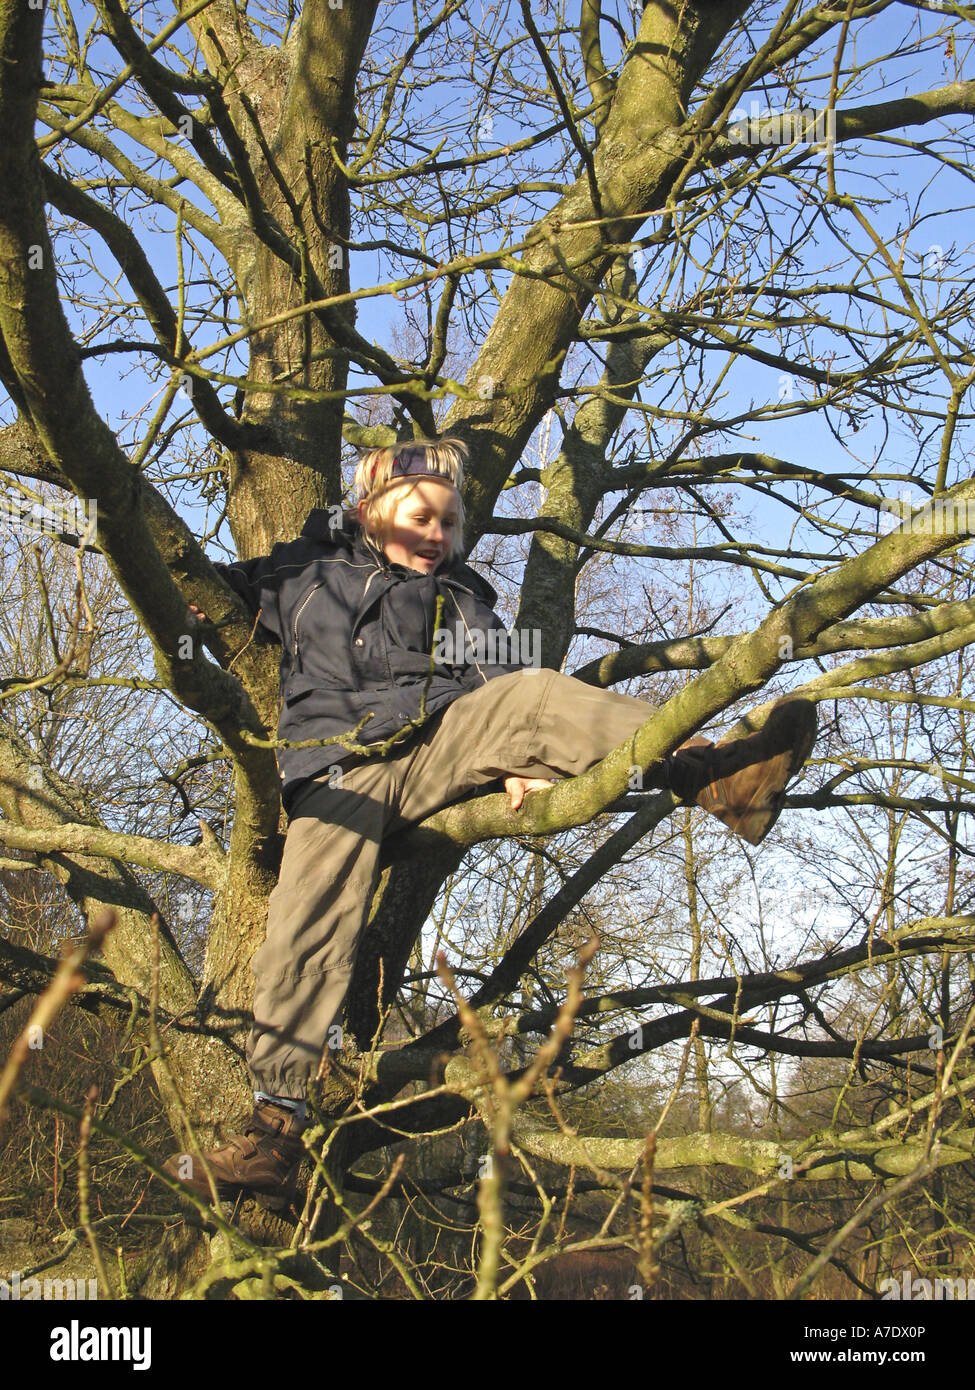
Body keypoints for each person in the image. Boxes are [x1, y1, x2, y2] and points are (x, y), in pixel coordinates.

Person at [163, 437, 817, 1206]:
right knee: (309, 913)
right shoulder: (301, 570)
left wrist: (520, 754)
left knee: (536, 694)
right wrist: (187, 603)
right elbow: (208, 596)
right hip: (337, 763)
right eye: (421, 516)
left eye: (449, 523)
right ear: (370, 511)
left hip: (439, 743)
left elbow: (500, 681)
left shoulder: (460, 592)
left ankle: (718, 777)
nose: (437, 535)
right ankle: (275, 1127)